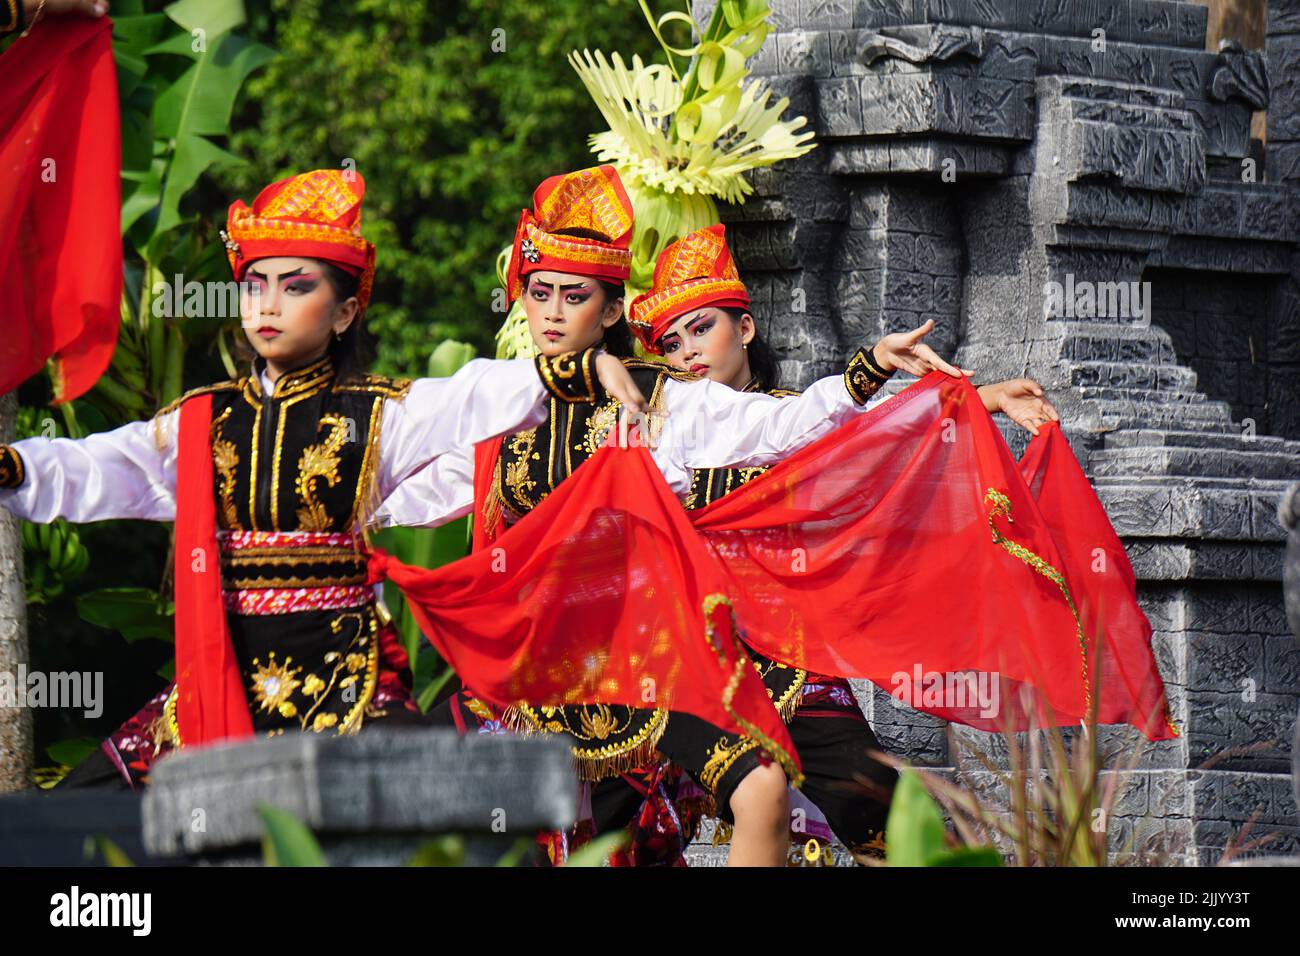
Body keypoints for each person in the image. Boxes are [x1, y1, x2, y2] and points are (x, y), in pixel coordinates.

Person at [374, 165, 977, 866]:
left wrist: (869, 366)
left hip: (651, 670)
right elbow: (406, 495)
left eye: (575, 297)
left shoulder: (663, 399)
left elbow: (787, 427)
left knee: (763, 791)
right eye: (540, 294)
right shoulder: (503, 416)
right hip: (537, 682)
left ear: (607, 313)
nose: (553, 313)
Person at [0, 168, 645, 788]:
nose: (268, 305)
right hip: (224, 684)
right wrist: (15, 465)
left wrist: (573, 370)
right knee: (75, 824)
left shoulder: (379, 414)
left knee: (459, 815)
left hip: (347, 683)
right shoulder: (204, 422)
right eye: (256, 285)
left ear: (343, 313)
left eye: (295, 286)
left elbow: (468, 394)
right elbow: (104, 464)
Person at [620, 223, 1061, 862]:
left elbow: (881, 441)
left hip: (783, 653)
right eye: (671, 341)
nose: (688, 351)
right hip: (681, 650)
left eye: (701, 327)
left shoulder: (796, 422)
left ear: (744, 328)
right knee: (630, 820)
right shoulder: (662, 420)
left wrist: (984, 398)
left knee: (875, 795)